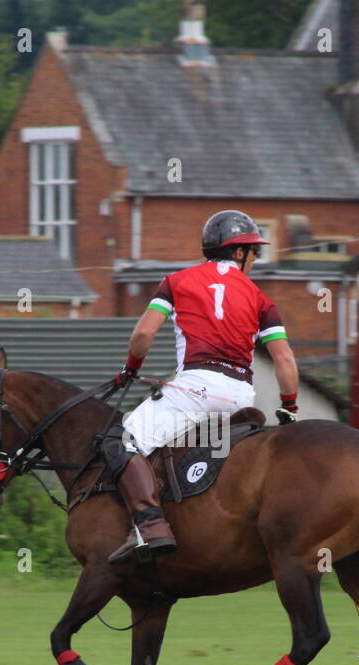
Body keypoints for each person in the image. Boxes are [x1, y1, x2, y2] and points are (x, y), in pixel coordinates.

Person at [104, 209, 301, 564]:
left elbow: (144, 334)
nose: (254, 260)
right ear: (238, 252)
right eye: (253, 252)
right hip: (241, 396)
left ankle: (149, 528)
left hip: (194, 389)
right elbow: (285, 361)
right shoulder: (261, 299)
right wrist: (289, 408)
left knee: (124, 439)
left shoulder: (176, 281)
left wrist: (130, 369)